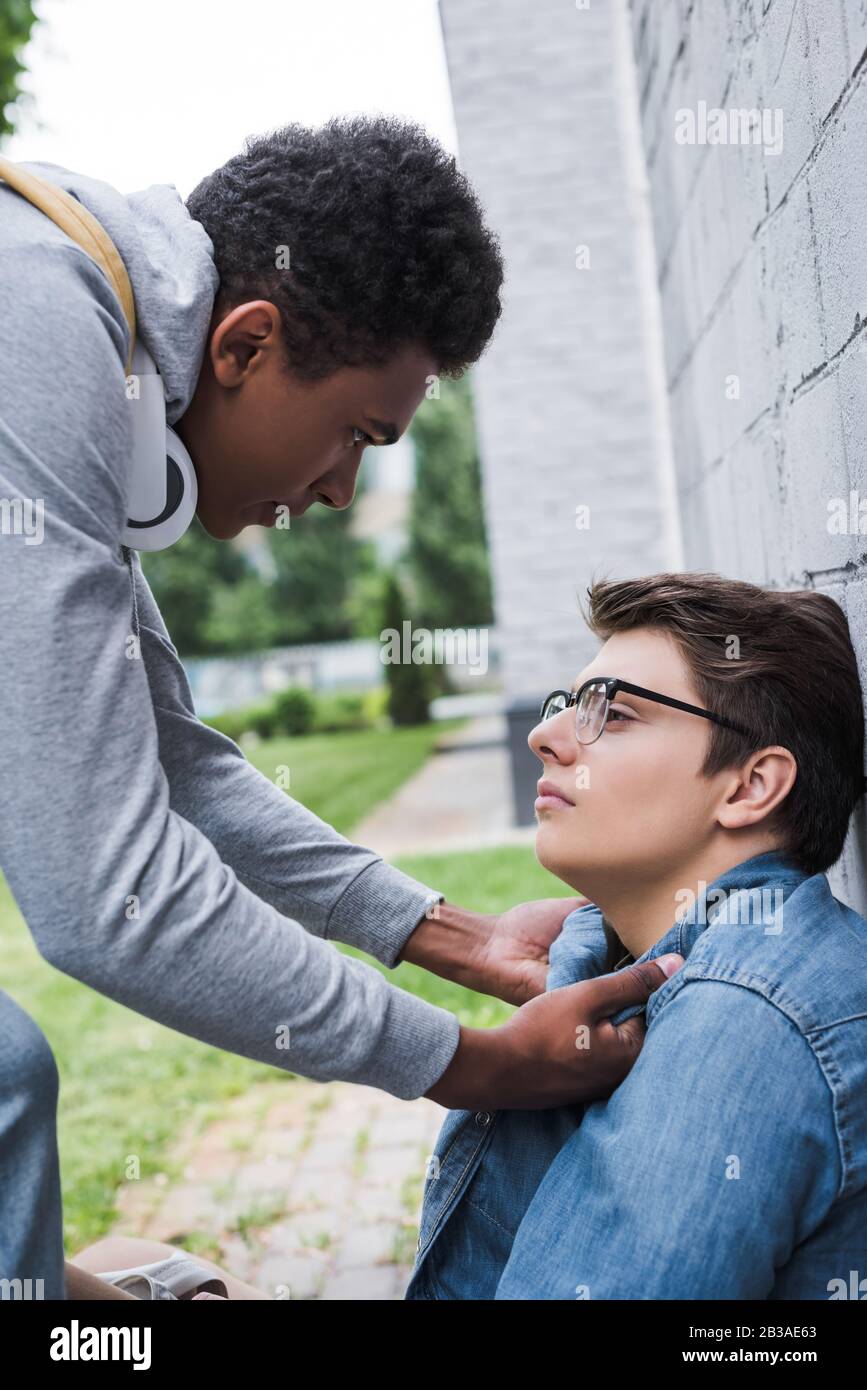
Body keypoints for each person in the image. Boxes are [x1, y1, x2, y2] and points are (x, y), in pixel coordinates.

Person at [0, 117, 680, 1301]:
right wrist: (468, 1067)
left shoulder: (93, 329)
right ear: (245, 343)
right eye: (357, 436)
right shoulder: (40, 325)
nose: (337, 491)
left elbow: (171, 763)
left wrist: (455, 937)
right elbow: (107, 893)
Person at [406, 571, 867, 1300]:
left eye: (612, 714)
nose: (542, 735)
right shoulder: (628, 965)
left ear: (748, 787)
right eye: (567, 706)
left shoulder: (744, 1023)